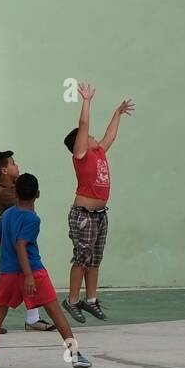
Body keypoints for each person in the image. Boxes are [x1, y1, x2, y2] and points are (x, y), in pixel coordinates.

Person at [0, 173, 91, 368]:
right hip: (33, 271)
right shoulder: (33, 219)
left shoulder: (7, 214)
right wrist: (27, 275)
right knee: (55, 311)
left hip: (8, 272)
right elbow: (21, 245)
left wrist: (8, 254)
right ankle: (74, 354)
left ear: (15, 192)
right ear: (38, 194)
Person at [61, 82, 133, 323]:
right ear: (79, 143)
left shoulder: (99, 151)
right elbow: (84, 126)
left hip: (100, 214)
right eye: (88, 136)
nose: (93, 136)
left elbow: (110, 134)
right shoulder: (80, 155)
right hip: (83, 214)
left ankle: (90, 300)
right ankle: (71, 300)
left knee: (95, 259)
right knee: (81, 257)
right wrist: (87, 101)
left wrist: (117, 112)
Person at [0, 150, 55, 334]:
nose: (17, 166)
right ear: (4, 170)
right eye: (13, 164)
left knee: (28, 273)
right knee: (0, 279)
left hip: (21, 239)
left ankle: (33, 319)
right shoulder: (3, 192)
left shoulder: (14, 185)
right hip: (7, 244)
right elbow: (26, 202)